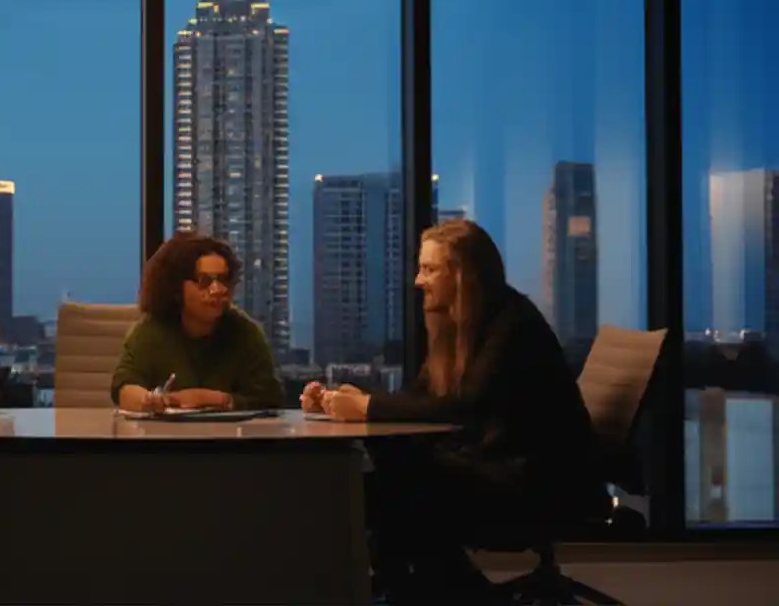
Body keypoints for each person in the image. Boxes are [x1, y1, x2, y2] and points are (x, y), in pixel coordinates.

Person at [301, 219, 603, 604]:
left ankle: (431, 591)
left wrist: (368, 407)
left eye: (429, 269)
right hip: (494, 467)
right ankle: (430, 590)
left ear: (463, 275)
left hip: (534, 482)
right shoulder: (461, 328)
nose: (417, 281)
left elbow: (467, 407)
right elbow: (421, 397)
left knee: (396, 489)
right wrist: (345, 401)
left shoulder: (514, 325)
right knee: (389, 478)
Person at [112, 231, 284, 412]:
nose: (218, 290)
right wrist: (147, 401)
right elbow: (123, 387)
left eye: (224, 279)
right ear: (176, 286)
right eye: (204, 281)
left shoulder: (246, 333)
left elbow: (270, 399)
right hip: (163, 436)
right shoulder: (150, 332)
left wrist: (216, 399)